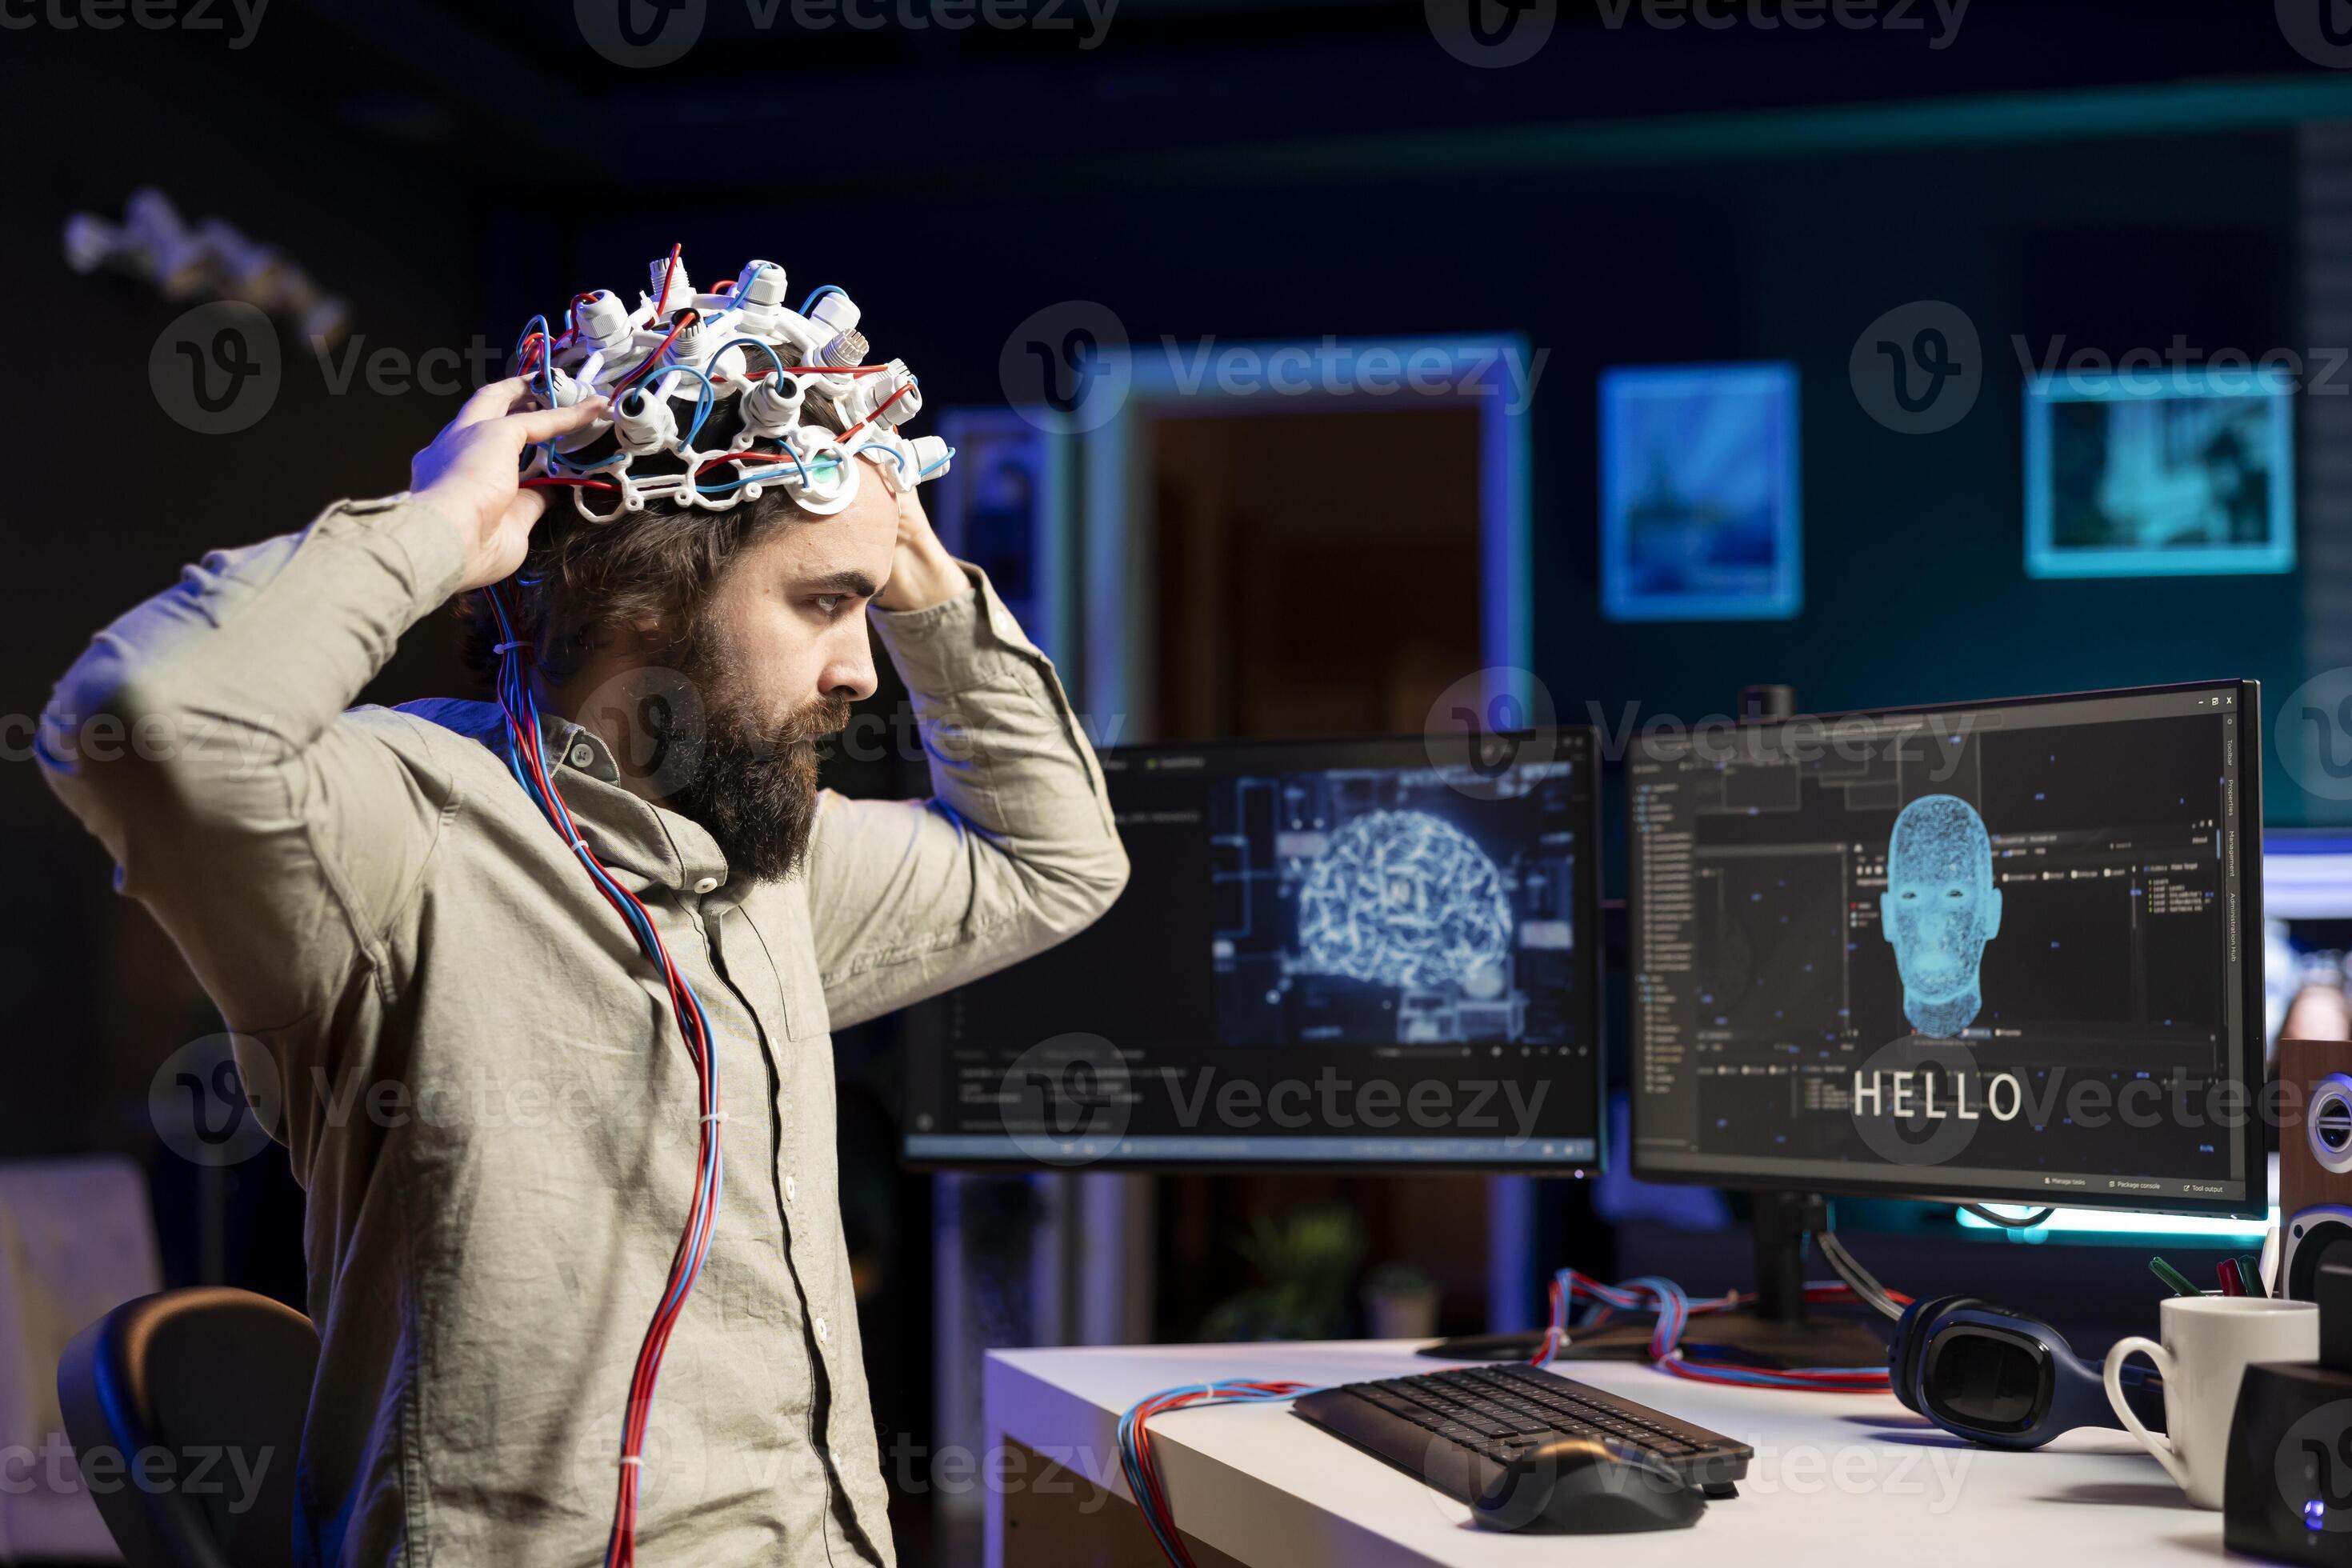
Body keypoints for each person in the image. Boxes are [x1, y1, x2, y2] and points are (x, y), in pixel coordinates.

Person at [38, 370, 1129, 1564]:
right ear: (647, 593)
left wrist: (905, 551)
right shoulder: (400, 836)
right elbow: (146, 720)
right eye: (825, 603)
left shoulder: (767, 867)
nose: (865, 670)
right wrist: (439, 526)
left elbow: (1054, 859)